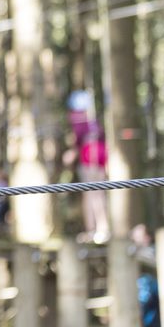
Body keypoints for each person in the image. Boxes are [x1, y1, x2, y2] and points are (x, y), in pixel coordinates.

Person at [66, 89, 110, 243]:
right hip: (100, 156)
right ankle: (100, 229)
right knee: (98, 193)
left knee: (91, 194)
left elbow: (77, 140)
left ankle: (95, 229)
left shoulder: (78, 119)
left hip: (90, 157)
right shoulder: (93, 121)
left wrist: (72, 153)